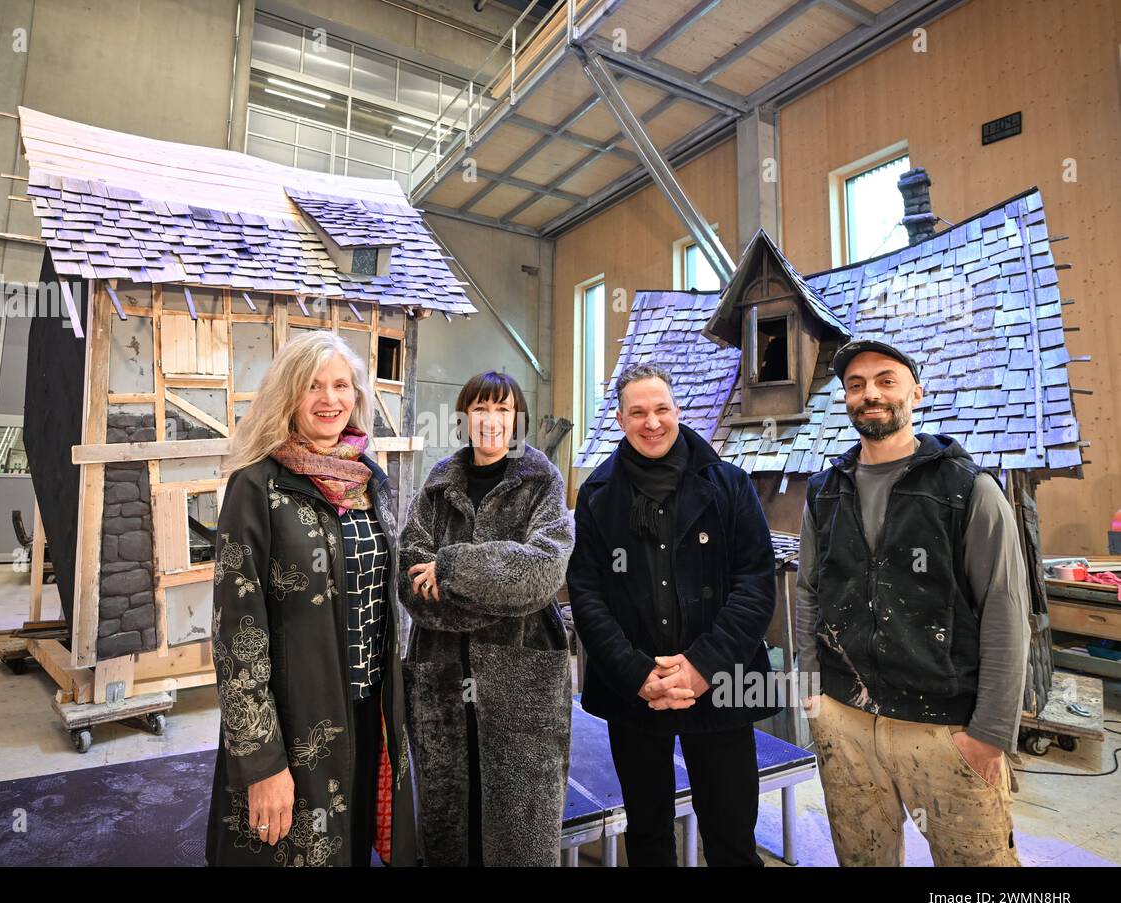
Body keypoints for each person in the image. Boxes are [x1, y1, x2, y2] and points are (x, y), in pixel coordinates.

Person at [795, 339, 1029, 866]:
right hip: (845, 719)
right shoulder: (823, 492)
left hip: (945, 727)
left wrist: (990, 732)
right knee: (862, 860)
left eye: (885, 381)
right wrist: (813, 693)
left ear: (915, 395)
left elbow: (1005, 610)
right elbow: (809, 591)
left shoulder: (967, 489)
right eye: (855, 386)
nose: (869, 394)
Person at [204, 330, 416, 867]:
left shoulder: (373, 482)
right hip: (295, 725)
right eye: (313, 387)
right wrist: (261, 762)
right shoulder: (256, 488)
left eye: (341, 385)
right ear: (288, 398)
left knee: (352, 852)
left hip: (369, 718)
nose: (330, 400)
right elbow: (237, 636)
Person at [567, 363, 778, 867]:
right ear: (620, 420)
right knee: (647, 833)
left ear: (678, 413)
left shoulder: (730, 486)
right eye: (638, 412)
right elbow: (587, 594)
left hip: (721, 685)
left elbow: (755, 583)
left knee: (731, 835)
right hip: (636, 693)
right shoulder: (598, 497)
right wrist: (637, 672)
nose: (652, 422)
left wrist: (703, 665)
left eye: (662, 409)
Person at [399, 371, 574, 866]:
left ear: (517, 418)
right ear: (464, 417)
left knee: (518, 829)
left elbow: (542, 572)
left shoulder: (541, 483)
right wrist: (500, 597)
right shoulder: (436, 488)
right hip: (444, 682)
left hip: (521, 684)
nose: (491, 421)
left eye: (502, 410)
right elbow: (408, 582)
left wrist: (450, 569)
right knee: (451, 826)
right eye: (480, 409)